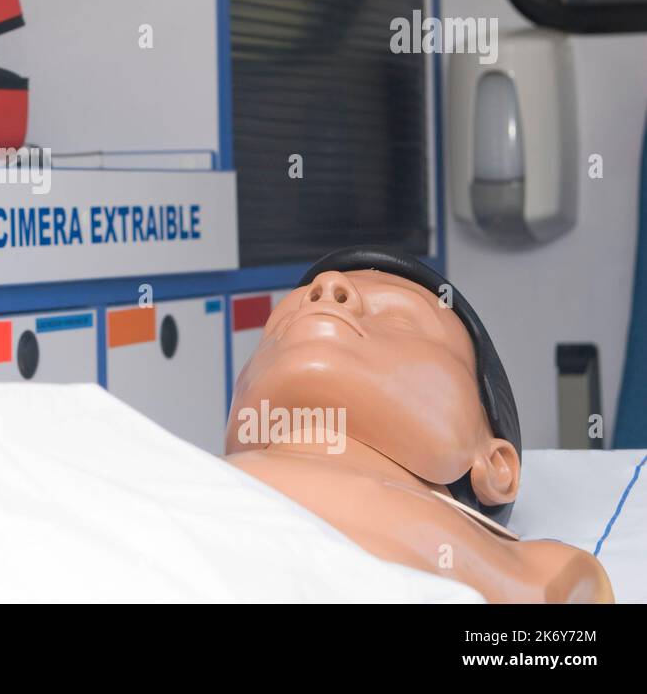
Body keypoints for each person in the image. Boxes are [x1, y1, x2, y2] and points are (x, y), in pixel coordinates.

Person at [225, 247, 614, 603]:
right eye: (279, 326)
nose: (326, 288)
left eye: (399, 320)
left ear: (495, 465)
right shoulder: (171, 471)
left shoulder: (543, 576)